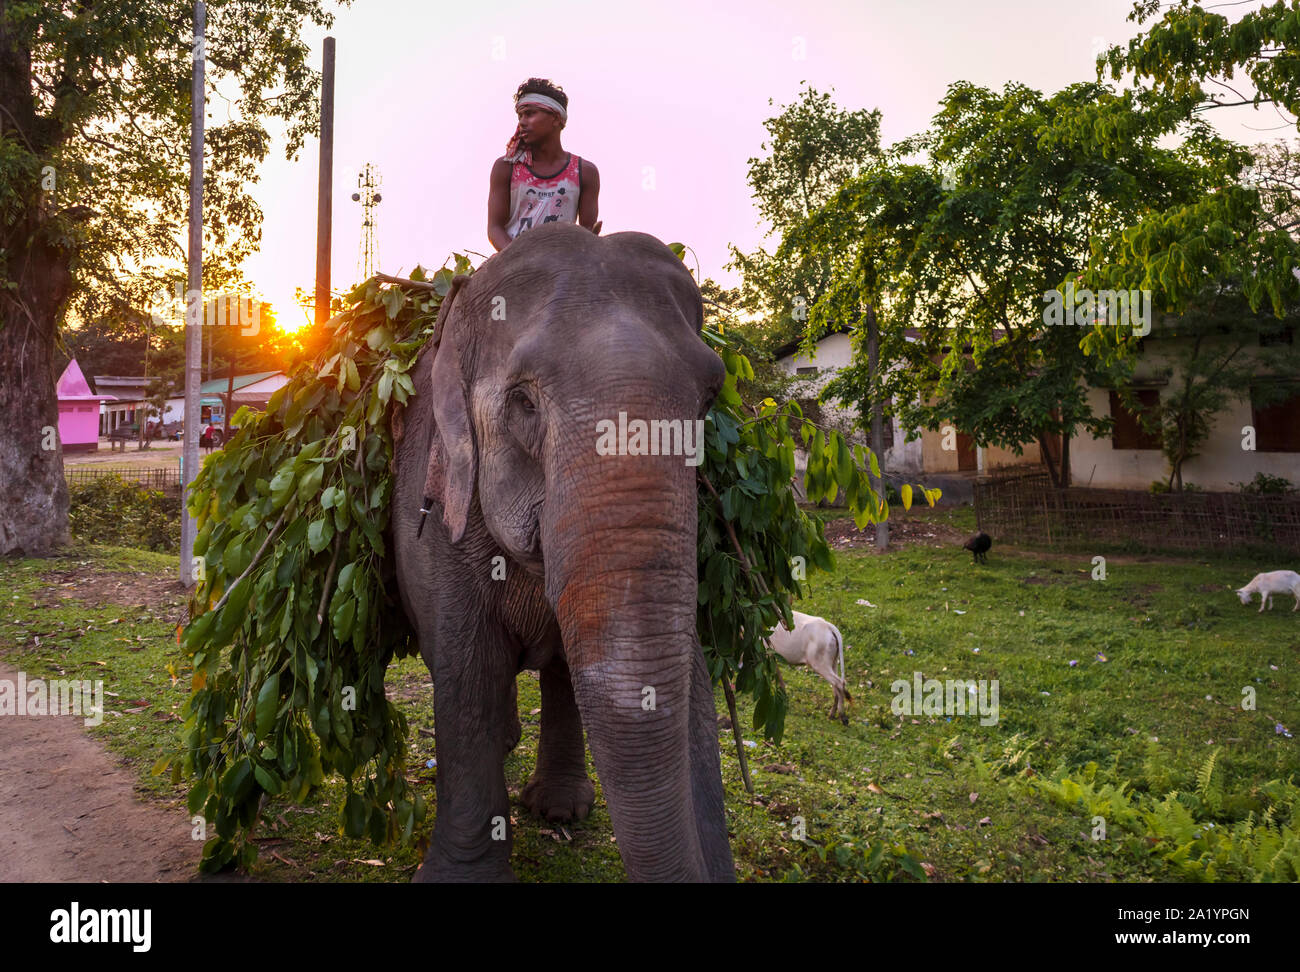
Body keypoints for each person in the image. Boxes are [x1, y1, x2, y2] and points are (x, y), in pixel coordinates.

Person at [487, 78, 601, 252]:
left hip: (563, 266)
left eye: (530, 114)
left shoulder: (584, 172)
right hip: (512, 264)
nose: (522, 122)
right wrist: (518, 259)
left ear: (556, 118)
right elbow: (495, 228)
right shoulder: (507, 167)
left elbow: (587, 234)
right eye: (520, 116)